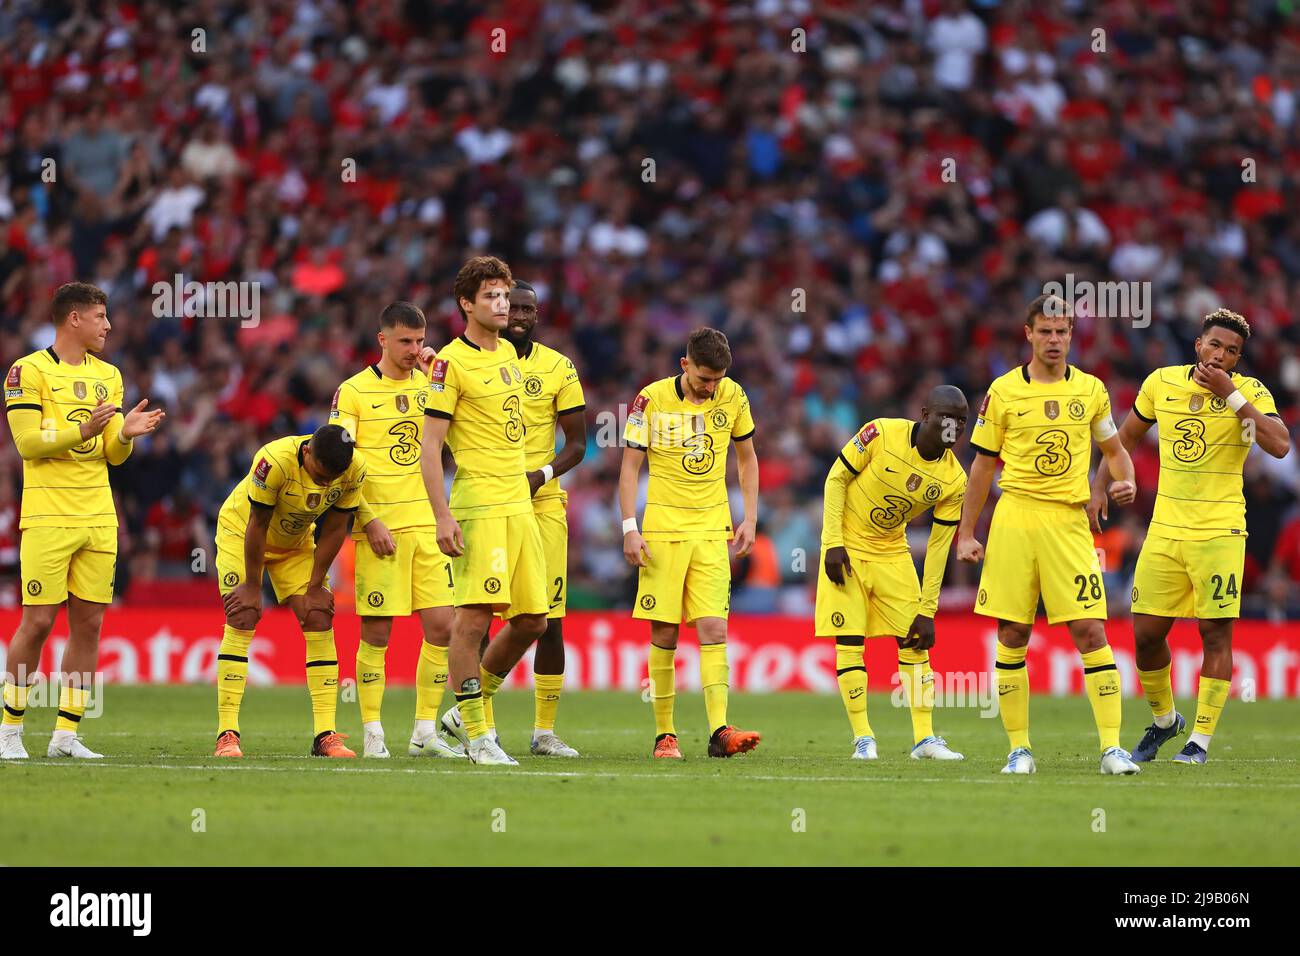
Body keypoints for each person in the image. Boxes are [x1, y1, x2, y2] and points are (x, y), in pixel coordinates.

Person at [1091, 309, 1290, 765]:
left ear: (1239, 358)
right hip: (1165, 530)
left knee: (1215, 632)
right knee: (1145, 635)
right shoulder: (1162, 383)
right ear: (1198, 344)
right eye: (1215, 345)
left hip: (1221, 530)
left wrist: (1233, 397)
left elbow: (1279, 446)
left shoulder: (1251, 390)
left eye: (1232, 351)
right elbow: (1123, 439)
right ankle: (1165, 721)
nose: (1222, 355)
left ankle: (1199, 740)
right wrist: (1099, 487)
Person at [956, 293, 1141, 775]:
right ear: (1029, 334)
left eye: (1062, 332)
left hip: (1068, 522)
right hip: (1015, 518)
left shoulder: (1091, 390)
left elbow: (1114, 449)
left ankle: (1111, 749)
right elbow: (981, 467)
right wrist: (966, 531)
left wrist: (1127, 480)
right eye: (1046, 331)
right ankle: (1019, 749)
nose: (1054, 340)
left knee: (1090, 630)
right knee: (1013, 632)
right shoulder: (1002, 391)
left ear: (1071, 336)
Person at [0, 282, 164, 760]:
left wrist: (126, 435)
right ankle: (9, 729)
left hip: (98, 515)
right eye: (99, 317)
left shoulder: (109, 375)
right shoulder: (26, 371)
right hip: (48, 514)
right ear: (74, 319)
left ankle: (65, 736)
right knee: (37, 622)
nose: (108, 325)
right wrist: (83, 428)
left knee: (90, 625)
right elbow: (28, 443)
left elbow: (111, 454)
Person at [420, 256, 548, 766]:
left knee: (534, 620)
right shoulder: (451, 363)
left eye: (505, 295)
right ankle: (479, 737)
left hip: (521, 506)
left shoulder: (510, 359)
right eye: (491, 296)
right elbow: (431, 447)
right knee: (471, 622)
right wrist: (442, 515)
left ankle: (462, 713)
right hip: (480, 505)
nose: (502, 305)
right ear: (466, 304)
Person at [620, 327, 761, 759]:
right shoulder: (651, 399)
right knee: (664, 631)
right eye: (703, 378)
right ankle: (665, 734)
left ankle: (720, 729)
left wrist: (750, 518)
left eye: (717, 379)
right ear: (685, 365)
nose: (710, 387)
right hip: (662, 530)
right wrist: (629, 526)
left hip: (712, 530)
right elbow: (629, 468)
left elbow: (747, 457)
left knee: (715, 629)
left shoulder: (733, 396)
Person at [329, 301, 461, 759]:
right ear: (382, 339)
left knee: (444, 627)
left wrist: (437, 370)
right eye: (405, 341)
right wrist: (367, 518)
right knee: (378, 633)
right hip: (380, 528)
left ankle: (425, 731)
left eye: (421, 341)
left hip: (429, 525)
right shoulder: (353, 392)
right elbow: (337, 462)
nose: (414, 349)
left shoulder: (434, 386)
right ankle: (372, 731)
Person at [816, 387, 969, 761]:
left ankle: (924, 740)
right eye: (946, 418)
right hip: (847, 546)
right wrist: (833, 541)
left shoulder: (954, 480)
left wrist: (928, 608)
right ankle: (863, 738)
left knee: (915, 641)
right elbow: (835, 478)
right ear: (925, 413)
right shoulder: (881, 433)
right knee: (850, 641)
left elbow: (938, 547)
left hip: (892, 552)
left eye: (961, 422)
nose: (953, 428)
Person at [213, 424, 366, 758]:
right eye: (321, 476)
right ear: (308, 451)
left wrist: (315, 586)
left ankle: (325, 735)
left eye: (330, 480)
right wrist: (253, 587)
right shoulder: (274, 461)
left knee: (318, 615)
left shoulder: (353, 467)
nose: (325, 485)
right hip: (242, 535)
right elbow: (257, 524)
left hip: (295, 545)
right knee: (244, 612)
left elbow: (337, 527)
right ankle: (227, 733)